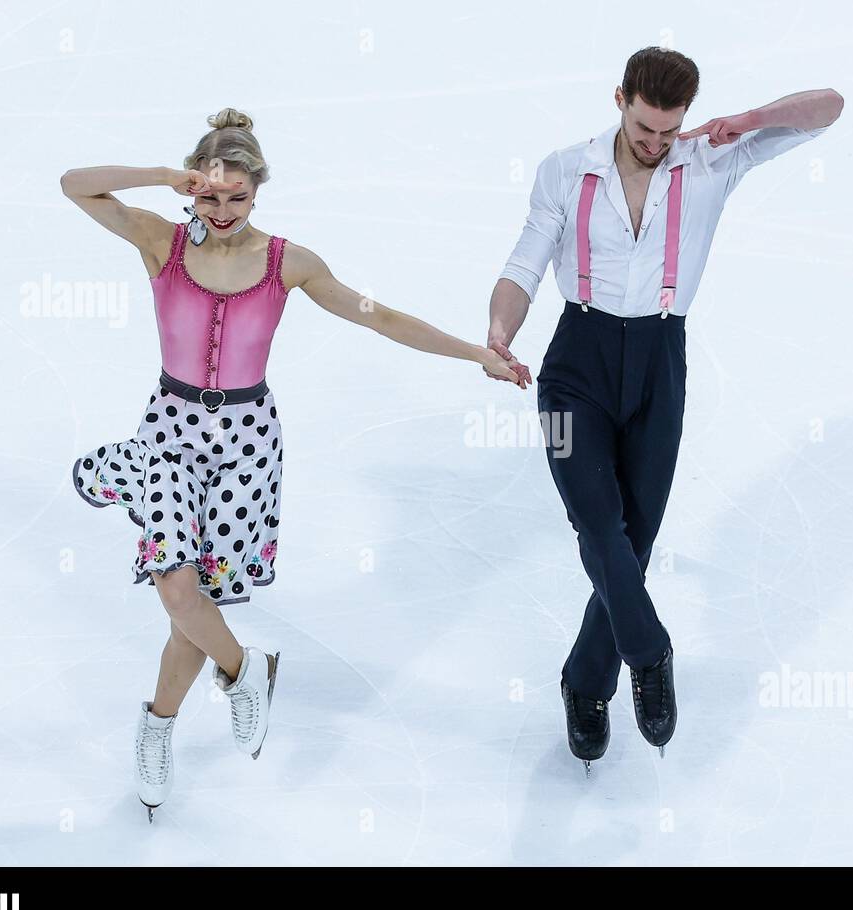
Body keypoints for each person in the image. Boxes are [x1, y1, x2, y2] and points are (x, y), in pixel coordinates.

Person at [63, 107, 523, 819]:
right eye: (208, 196)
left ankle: (159, 724)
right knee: (178, 590)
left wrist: (477, 354)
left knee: (195, 600)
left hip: (247, 444)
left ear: (258, 193)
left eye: (236, 197)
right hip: (168, 435)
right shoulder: (160, 241)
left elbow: (379, 314)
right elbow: (74, 185)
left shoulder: (289, 263)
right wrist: (159, 177)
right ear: (191, 190)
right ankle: (244, 672)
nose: (221, 211)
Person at [486, 48, 843, 772]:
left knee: (635, 538)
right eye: (645, 127)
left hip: (660, 365)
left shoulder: (712, 161)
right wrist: (499, 332)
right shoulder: (565, 169)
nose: (655, 143)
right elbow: (523, 263)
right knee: (595, 520)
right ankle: (647, 654)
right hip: (572, 369)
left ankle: (586, 680)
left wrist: (752, 119)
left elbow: (829, 106)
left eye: (667, 130)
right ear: (620, 99)